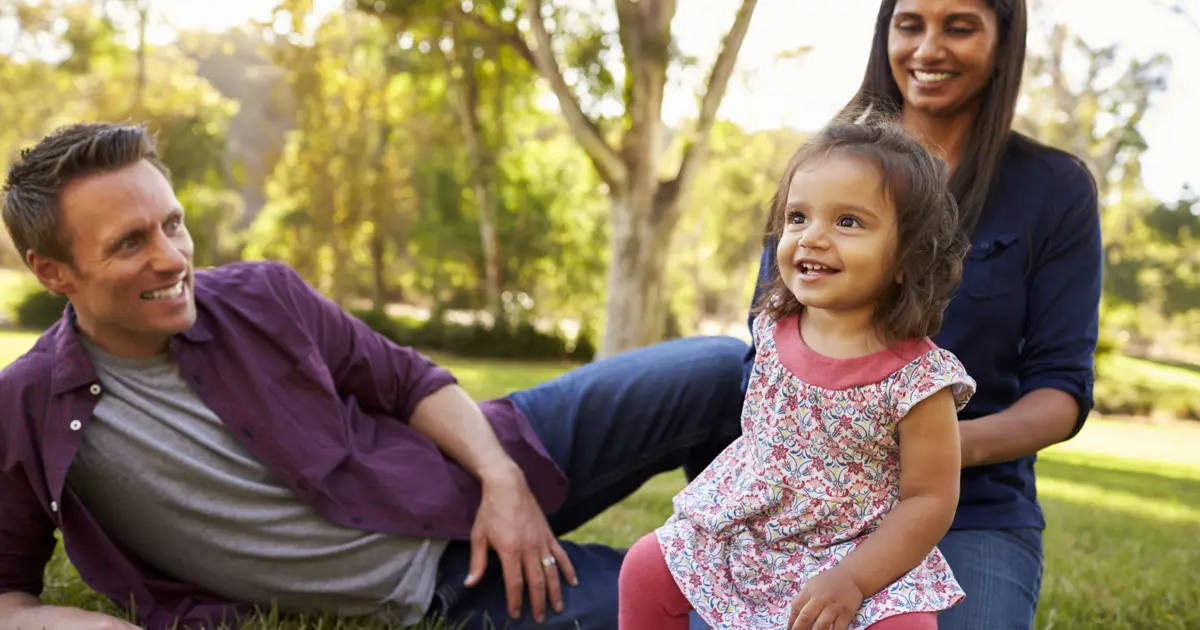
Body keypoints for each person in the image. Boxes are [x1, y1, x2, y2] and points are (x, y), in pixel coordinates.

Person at [0, 122, 751, 630]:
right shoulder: (27, 406)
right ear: (52, 271)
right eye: (130, 243)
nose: (172, 258)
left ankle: (783, 538)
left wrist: (501, 480)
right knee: (703, 609)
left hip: (478, 456)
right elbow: (8, 597)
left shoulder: (260, 295)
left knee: (721, 368)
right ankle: (765, 578)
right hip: (447, 578)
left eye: (173, 224)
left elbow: (407, 381)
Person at [740, 1, 1103, 629]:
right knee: (681, 374)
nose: (928, 48)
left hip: (977, 508)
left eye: (958, 26)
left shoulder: (1055, 189)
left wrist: (928, 450)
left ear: (1003, 40)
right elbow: (766, 337)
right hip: (803, 502)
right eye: (910, 25)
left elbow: (1061, 390)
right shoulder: (823, 169)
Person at [619, 118, 976, 630]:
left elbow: (930, 500)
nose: (813, 238)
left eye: (848, 222)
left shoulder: (920, 381)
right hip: (750, 531)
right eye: (798, 217)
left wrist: (853, 580)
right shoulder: (774, 329)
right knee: (646, 568)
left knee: (906, 628)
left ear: (908, 257)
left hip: (855, 550)